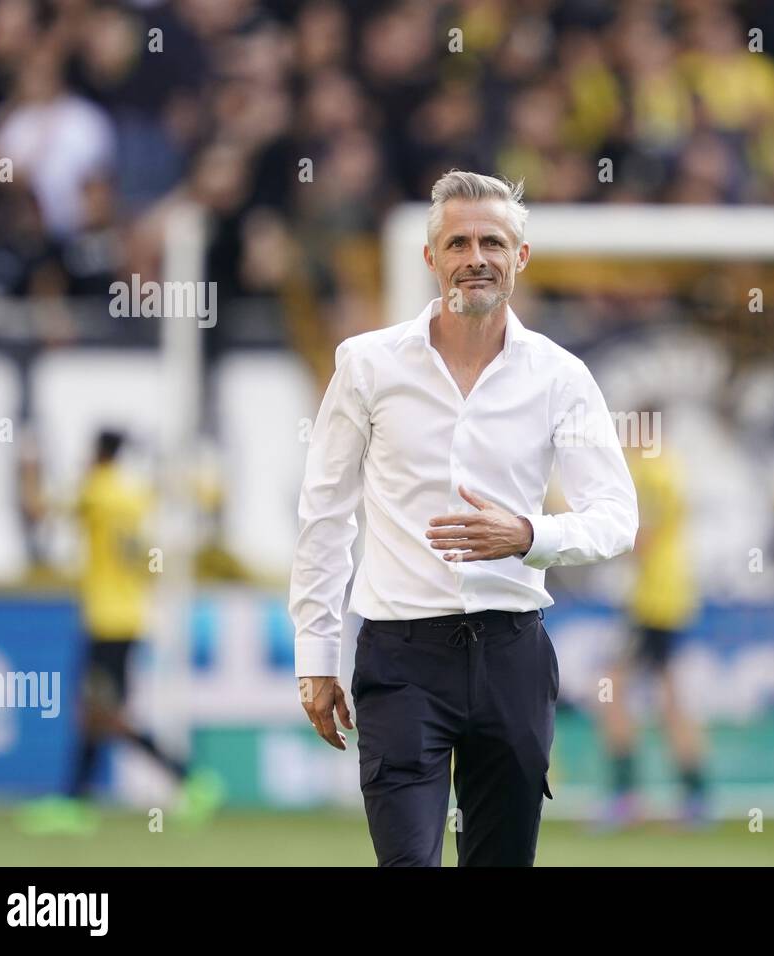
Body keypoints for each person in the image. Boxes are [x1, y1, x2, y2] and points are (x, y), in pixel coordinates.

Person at [291, 170, 638, 866]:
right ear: (431, 259)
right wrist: (316, 655)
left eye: (492, 241)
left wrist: (531, 534)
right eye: (458, 242)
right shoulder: (366, 365)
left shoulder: (560, 375)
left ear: (521, 256)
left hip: (512, 653)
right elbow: (325, 514)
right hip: (402, 657)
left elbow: (617, 516)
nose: (475, 256)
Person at [18, 429, 223, 835]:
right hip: (131, 617)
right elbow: (200, 497)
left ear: (98, 454)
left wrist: (28, 469)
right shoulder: (134, 493)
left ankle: (186, 780)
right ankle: (75, 801)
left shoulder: (96, 491)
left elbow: (38, 509)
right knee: (98, 713)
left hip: (107, 619)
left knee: (104, 713)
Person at [596, 440, 710, 829]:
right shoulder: (670, 468)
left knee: (610, 688)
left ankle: (626, 798)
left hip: (654, 603)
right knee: (668, 697)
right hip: (671, 597)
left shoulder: (648, 473)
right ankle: (696, 797)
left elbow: (641, 538)